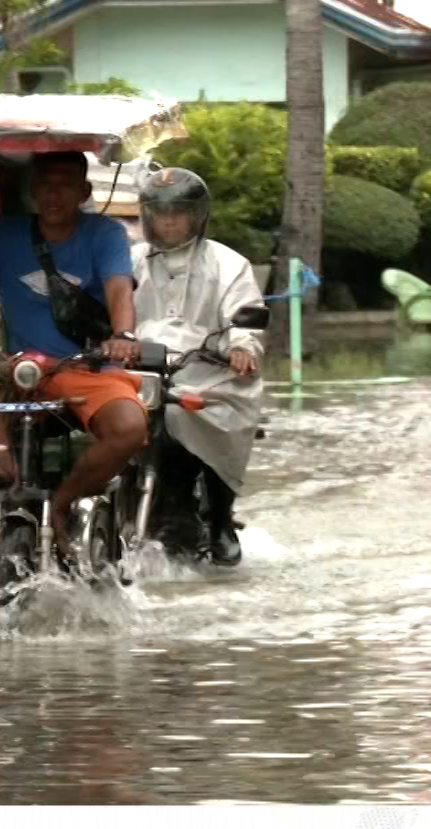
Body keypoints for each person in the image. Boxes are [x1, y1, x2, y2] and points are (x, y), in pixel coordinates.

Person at [0, 150, 145, 559]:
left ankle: (62, 503)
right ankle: (6, 467)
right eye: (43, 184)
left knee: (131, 428)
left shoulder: (105, 234)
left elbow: (118, 288)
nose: (53, 194)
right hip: (22, 367)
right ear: (32, 192)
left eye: (64, 184)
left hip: (86, 366)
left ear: (84, 191)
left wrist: (123, 334)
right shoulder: (4, 235)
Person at [129, 166, 265, 567]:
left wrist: (241, 345)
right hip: (139, 368)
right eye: (160, 212)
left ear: (198, 215)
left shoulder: (229, 263)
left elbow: (244, 313)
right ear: (147, 216)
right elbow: (106, 304)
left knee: (218, 418)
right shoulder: (129, 260)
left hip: (208, 369)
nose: (169, 220)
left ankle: (220, 519)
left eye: (178, 212)